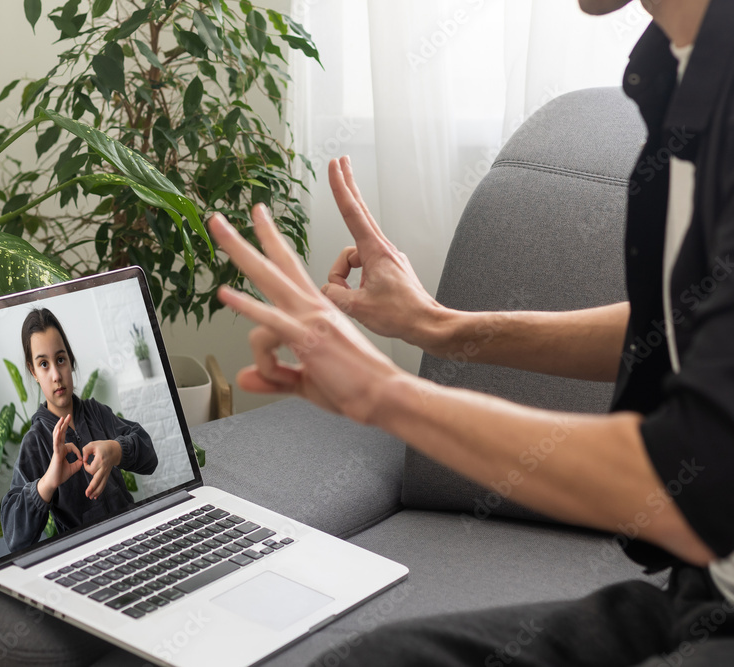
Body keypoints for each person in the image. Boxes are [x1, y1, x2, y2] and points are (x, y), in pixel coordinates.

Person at [207, 0, 734, 663]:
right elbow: (680, 324)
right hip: (702, 591)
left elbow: (694, 481)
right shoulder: (673, 69)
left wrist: (383, 393)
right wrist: (439, 326)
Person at [0, 308, 158, 551]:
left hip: (135, 536)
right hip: (86, 557)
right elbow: (14, 537)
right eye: (44, 364)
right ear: (33, 372)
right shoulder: (35, 442)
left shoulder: (98, 413)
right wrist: (47, 482)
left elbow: (150, 458)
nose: (56, 375)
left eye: (60, 359)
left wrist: (116, 450)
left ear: (70, 360)